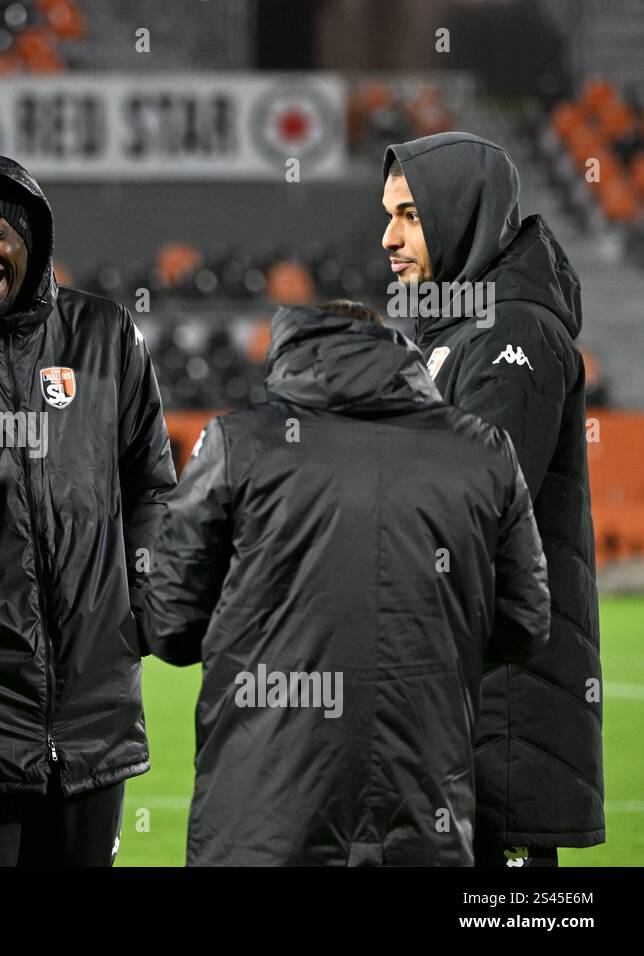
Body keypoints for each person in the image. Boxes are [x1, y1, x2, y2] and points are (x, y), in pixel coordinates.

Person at [145, 300, 551, 866]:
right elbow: (526, 625)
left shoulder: (240, 443)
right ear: (398, 352)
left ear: (288, 351)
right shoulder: (481, 449)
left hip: (261, 815)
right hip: (423, 809)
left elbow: (168, 624)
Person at [0, 155, 176, 866]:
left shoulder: (105, 333)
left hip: (96, 702)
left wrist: (141, 605)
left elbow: (150, 482)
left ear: (33, 239)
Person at [382, 132, 603, 866]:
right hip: (459, 709)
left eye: (410, 215)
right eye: (389, 216)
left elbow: (470, 514)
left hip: (499, 716)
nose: (389, 238)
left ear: (459, 212)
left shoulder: (510, 329)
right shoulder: (457, 327)